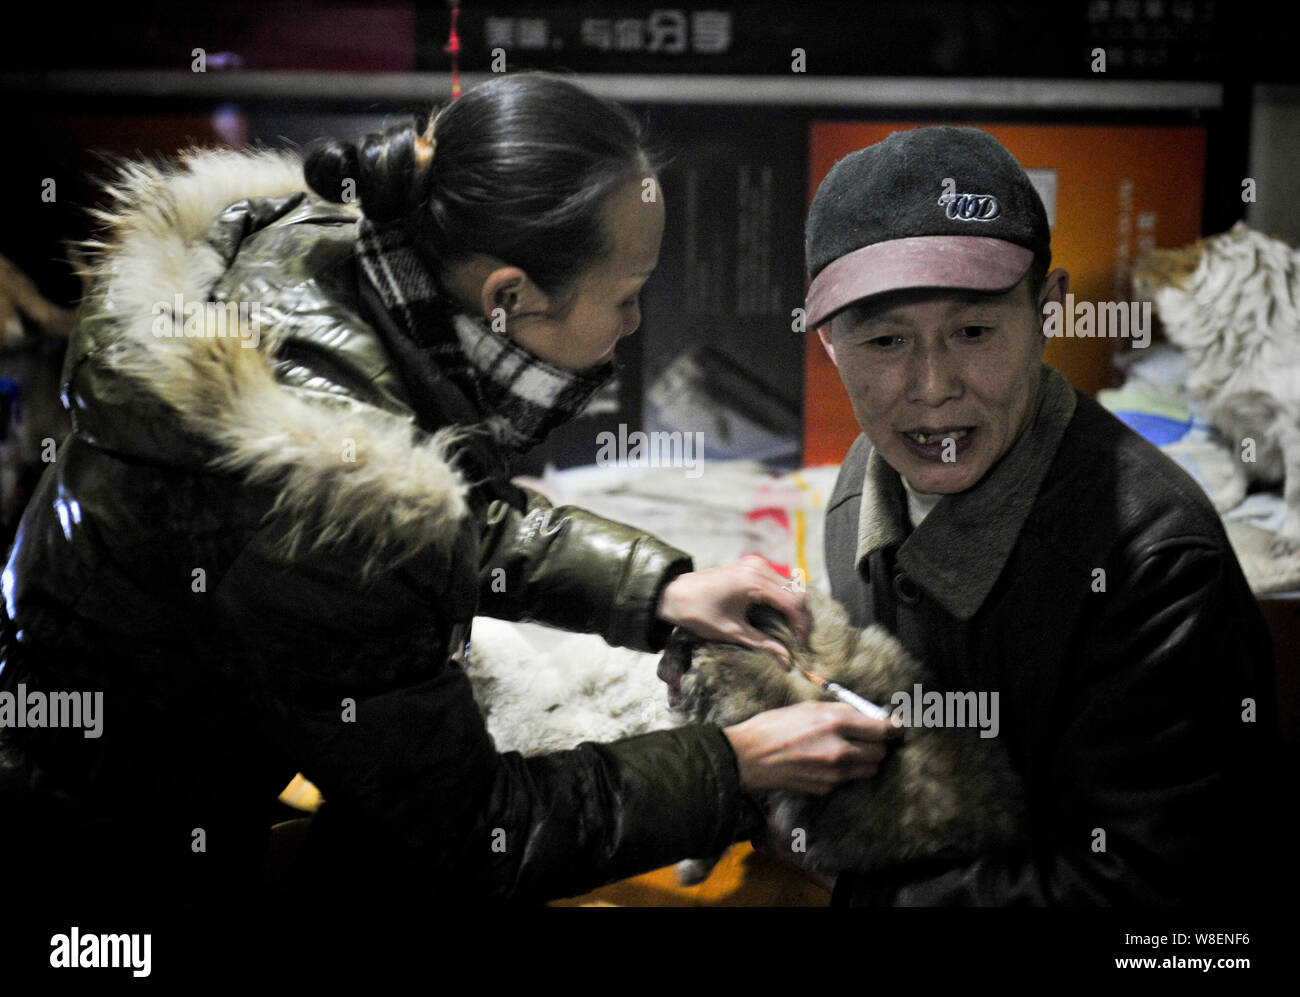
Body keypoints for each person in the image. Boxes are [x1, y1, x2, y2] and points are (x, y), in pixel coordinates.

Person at [0, 71, 898, 913]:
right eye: (626, 295)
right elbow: (476, 832)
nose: (634, 324)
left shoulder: (333, 261)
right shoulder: (322, 496)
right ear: (508, 294)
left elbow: (441, 511)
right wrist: (732, 767)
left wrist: (655, 587)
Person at [804, 125, 1281, 906]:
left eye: (974, 331)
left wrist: (869, 882)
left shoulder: (1155, 563)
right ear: (828, 342)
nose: (931, 387)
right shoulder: (866, 483)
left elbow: (1146, 893)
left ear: (1050, 309)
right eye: (886, 340)